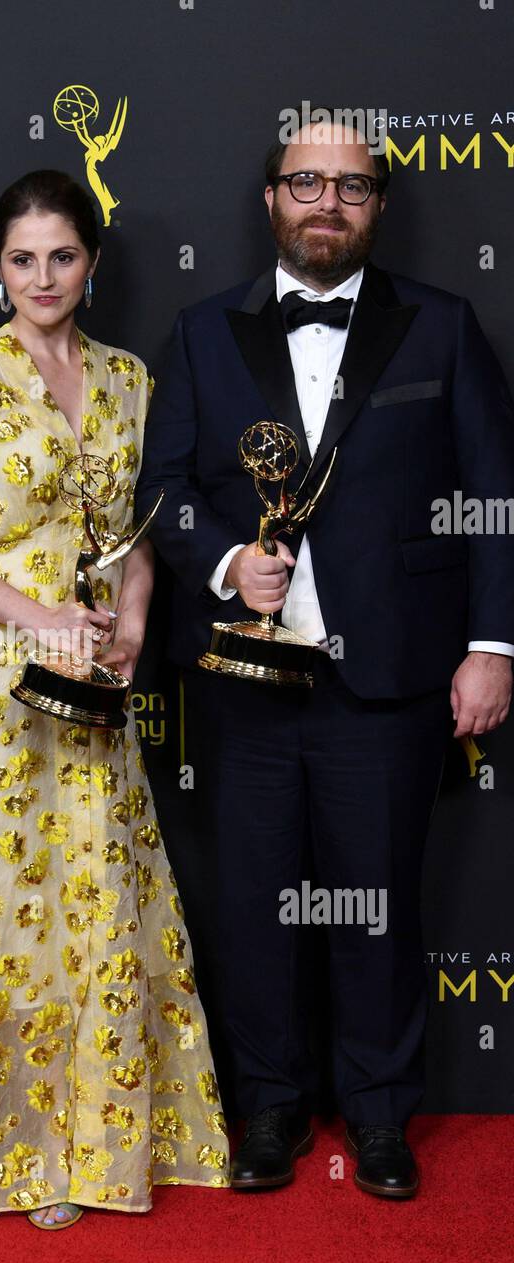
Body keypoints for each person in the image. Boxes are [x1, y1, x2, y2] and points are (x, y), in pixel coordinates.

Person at [135, 106, 514, 1199]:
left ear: (378, 205)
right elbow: (161, 490)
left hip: (389, 678)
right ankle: (269, 1111)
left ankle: (384, 1119)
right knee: (254, 907)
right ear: (270, 199)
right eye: (306, 184)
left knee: (377, 905)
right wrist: (221, 568)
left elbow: (493, 497)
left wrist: (492, 644)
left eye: (349, 187)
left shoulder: (442, 326)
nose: (326, 205)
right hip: (246, 685)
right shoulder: (204, 332)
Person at [0, 169, 229, 1233]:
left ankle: (94, 1147)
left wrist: (130, 623)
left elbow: (143, 535)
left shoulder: (129, 381)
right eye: (21, 259)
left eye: (61, 256)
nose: (41, 277)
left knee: (92, 903)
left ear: (92, 264)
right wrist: (37, 616)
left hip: (97, 680)